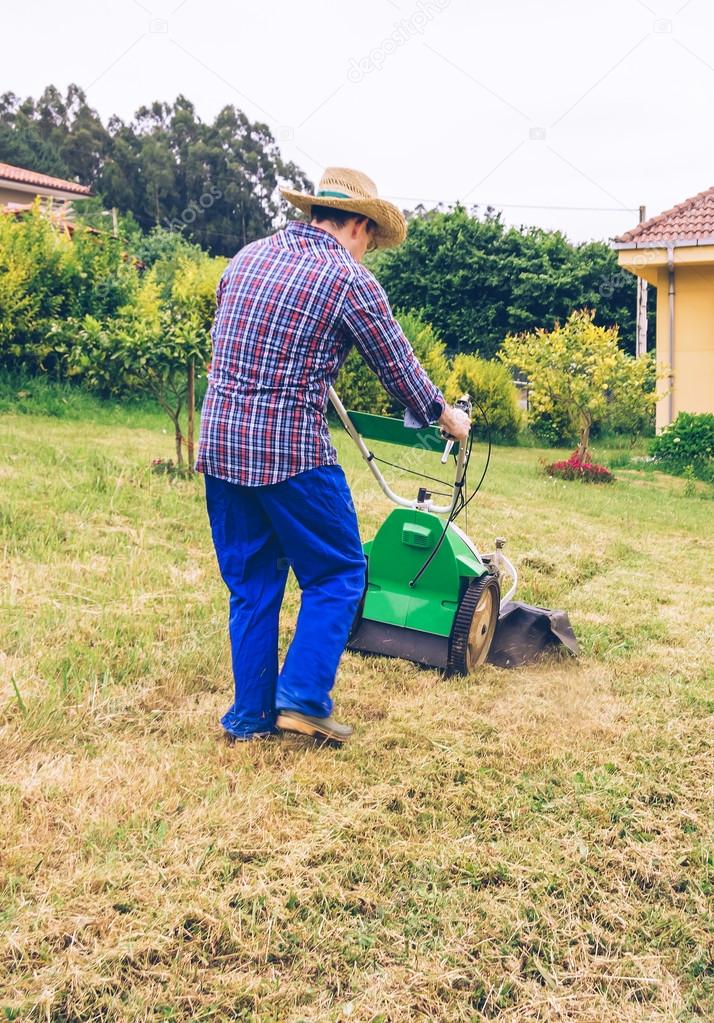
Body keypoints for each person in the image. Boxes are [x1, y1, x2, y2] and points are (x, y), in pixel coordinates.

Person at [196, 167, 471, 744]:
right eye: (370, 238)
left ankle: (248, 720)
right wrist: (448, 418)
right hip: (289, 450)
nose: (368, 250)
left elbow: (235, 339)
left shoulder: (245, 258)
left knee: (251, 584)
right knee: (341, 573)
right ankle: (300, 699)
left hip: (220, 444)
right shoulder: (347, 279)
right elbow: (398, 367)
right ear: (357, 225)